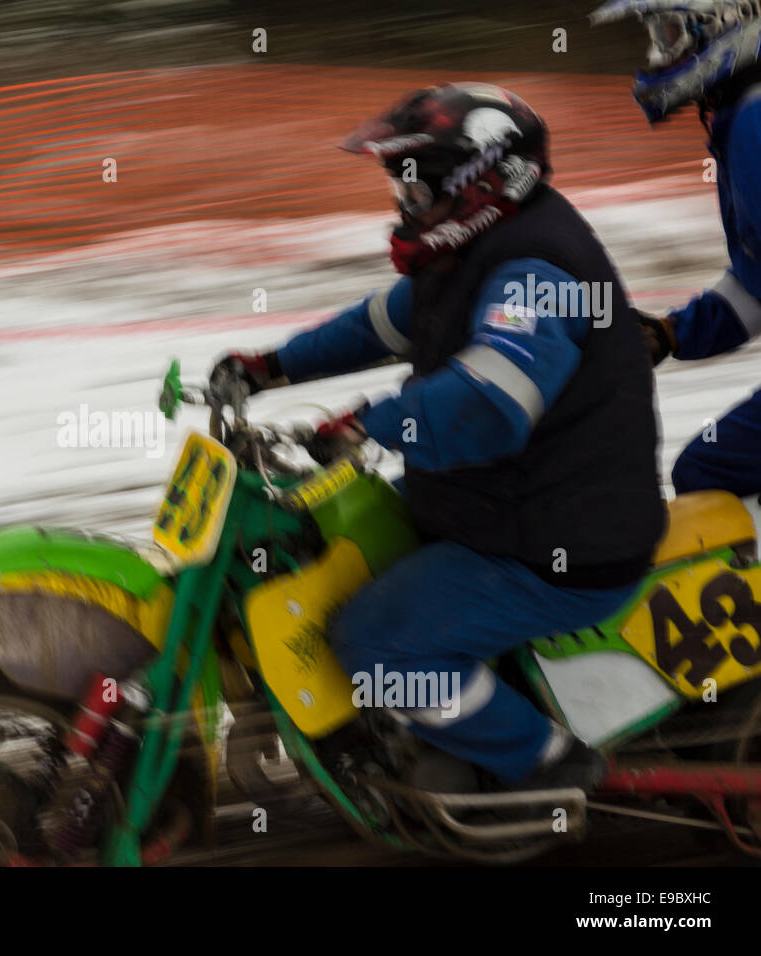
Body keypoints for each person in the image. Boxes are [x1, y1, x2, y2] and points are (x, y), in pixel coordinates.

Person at [210, 83, 665, 789]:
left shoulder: (537, 273)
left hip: (561, 542)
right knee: (326, 534)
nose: (404, 203)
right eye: (401, 186)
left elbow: (492, 396)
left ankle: (546, 763)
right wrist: (267, 367)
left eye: (417, 189)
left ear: (482, 185)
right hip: (501, 501)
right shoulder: (469, 250)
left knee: (378, 646)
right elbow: (377, 324)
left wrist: (372, 424)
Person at [591, 0, 761, 498]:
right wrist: (671, 333)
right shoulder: (739, 113)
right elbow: (756, 285)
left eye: (668, 34)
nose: (657, 53)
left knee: (708, 473)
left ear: (726, 24)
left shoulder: (753, 121)